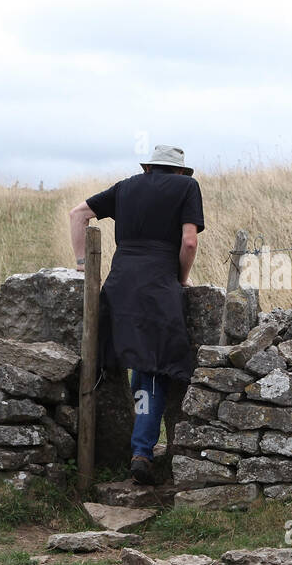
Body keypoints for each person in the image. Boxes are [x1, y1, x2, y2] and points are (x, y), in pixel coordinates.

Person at [69, 145, 204, 484]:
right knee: (155, 366)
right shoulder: (187, 187)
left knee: (120, 360)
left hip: (119, 284)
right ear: (179, 172)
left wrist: (83, 265)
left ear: (148, 168)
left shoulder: (126, 186)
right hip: (158, 286)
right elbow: (189, 243)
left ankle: (105, 456)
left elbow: (78, 214)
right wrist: (181, 278)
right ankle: (141, 452)